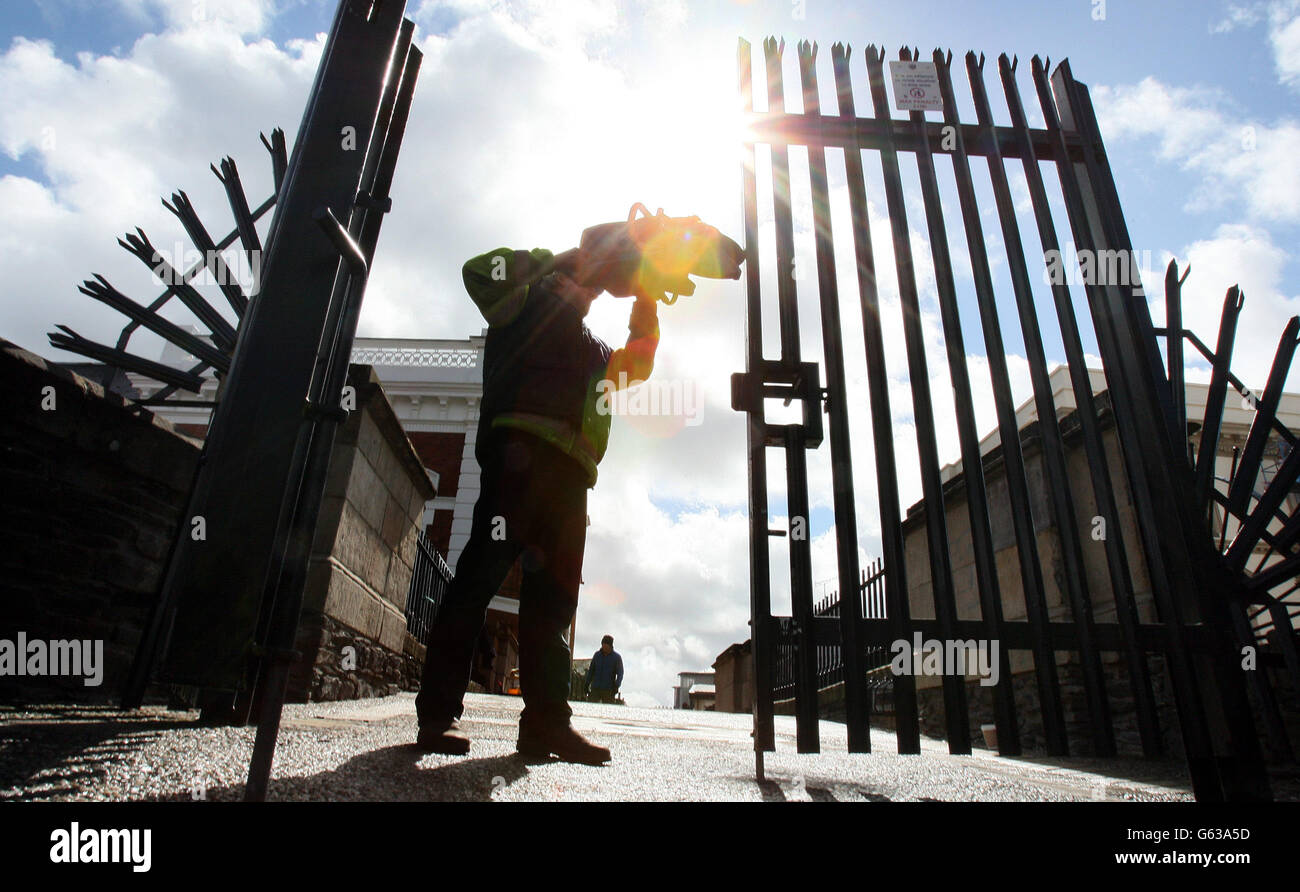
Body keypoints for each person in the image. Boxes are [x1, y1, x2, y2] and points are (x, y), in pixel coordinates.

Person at [415, 242, 659, 765]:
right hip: (518, 461)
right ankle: (437, 715)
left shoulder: (595, 349)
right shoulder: (520, 303)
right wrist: (562, 257)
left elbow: (635, 368)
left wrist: (645, 302)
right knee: (477, 582)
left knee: (552, 608)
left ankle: (546, 726)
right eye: (585, 280)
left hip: (572, 479)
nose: (593, 291)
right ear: (558, 276)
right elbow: (477, 269)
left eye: (597, 286)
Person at [584, 635, 624, 704]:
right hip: (595, 688)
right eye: (603, 645)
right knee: (591, 707)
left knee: (608, 710)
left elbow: (620, 673)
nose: (604, 647)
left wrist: (616, 685)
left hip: (608, 690)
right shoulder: (597, 655)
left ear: (610, 646)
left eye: (606, 645)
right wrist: (587, 684)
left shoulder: (616, 658)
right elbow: (591, 671)